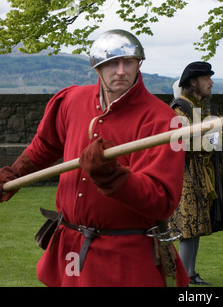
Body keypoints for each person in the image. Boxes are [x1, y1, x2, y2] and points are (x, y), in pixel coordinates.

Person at [0, 29, 190, 287]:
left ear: (139, 64)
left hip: (124, 253)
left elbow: (161, 201)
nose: (121, 71)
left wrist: (111, 176)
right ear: (97, 67)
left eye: (128, 62)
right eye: (112, 63)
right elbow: (45, 145)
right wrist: (15, 173)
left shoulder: (162, 120)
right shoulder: (72, 101)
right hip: (70, 243)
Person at [168, 61, 223, 285]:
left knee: (198, 226)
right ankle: (183, 277)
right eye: (207, 78)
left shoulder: (208, 107)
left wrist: (213, 137)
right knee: (189, 227)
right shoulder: (179, 108)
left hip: (206, 172)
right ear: (193, 83)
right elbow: (187, 142)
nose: (211, 82)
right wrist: (212, 137)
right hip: (187, 174)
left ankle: (191, 273)